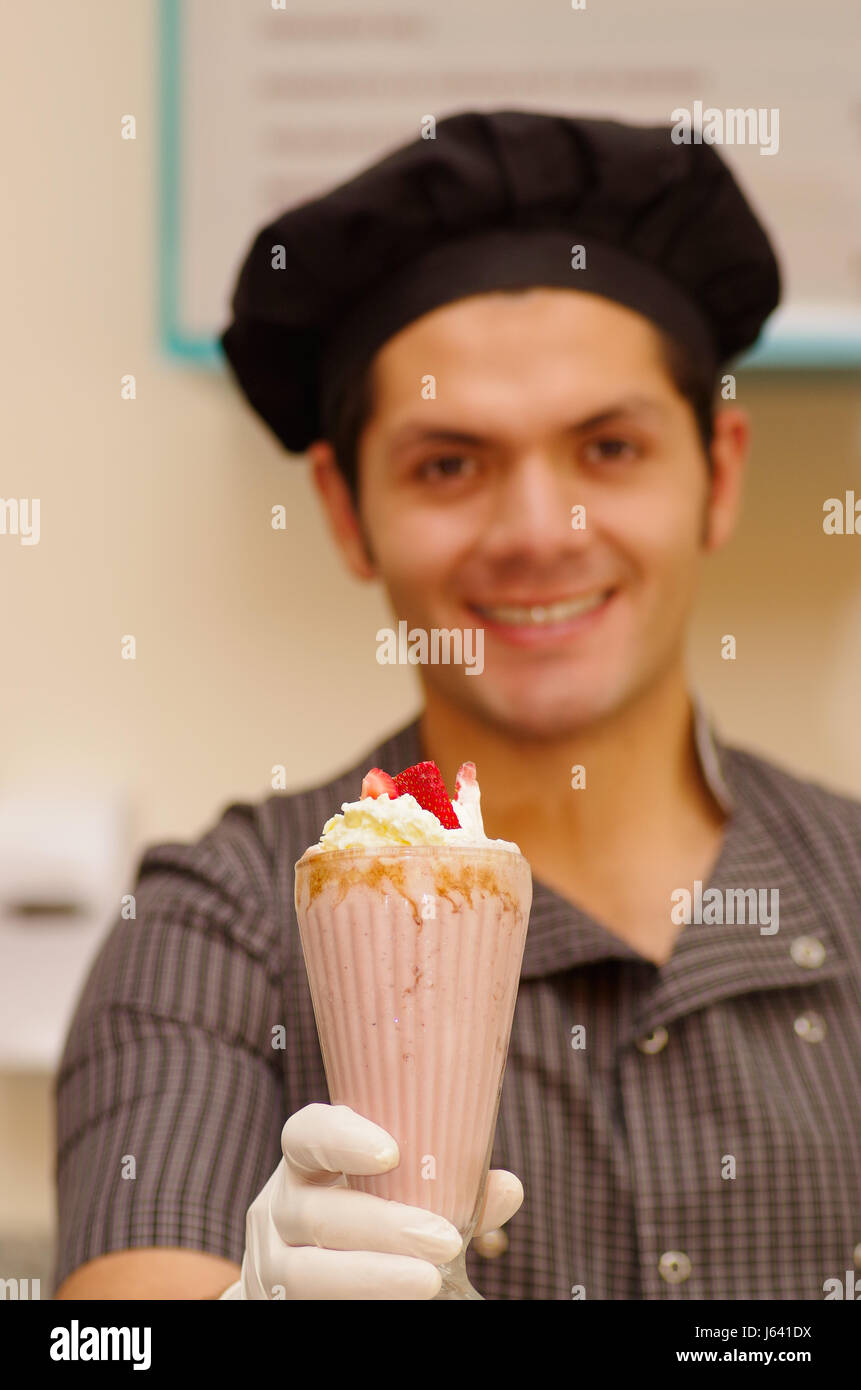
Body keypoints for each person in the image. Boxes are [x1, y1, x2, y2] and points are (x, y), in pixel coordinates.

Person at [54, 111, 861, 1301]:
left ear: (719, 471)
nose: (538, 531)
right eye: (449, 462)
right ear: (344, 508)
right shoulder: (216, 928)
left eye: (609, 448)